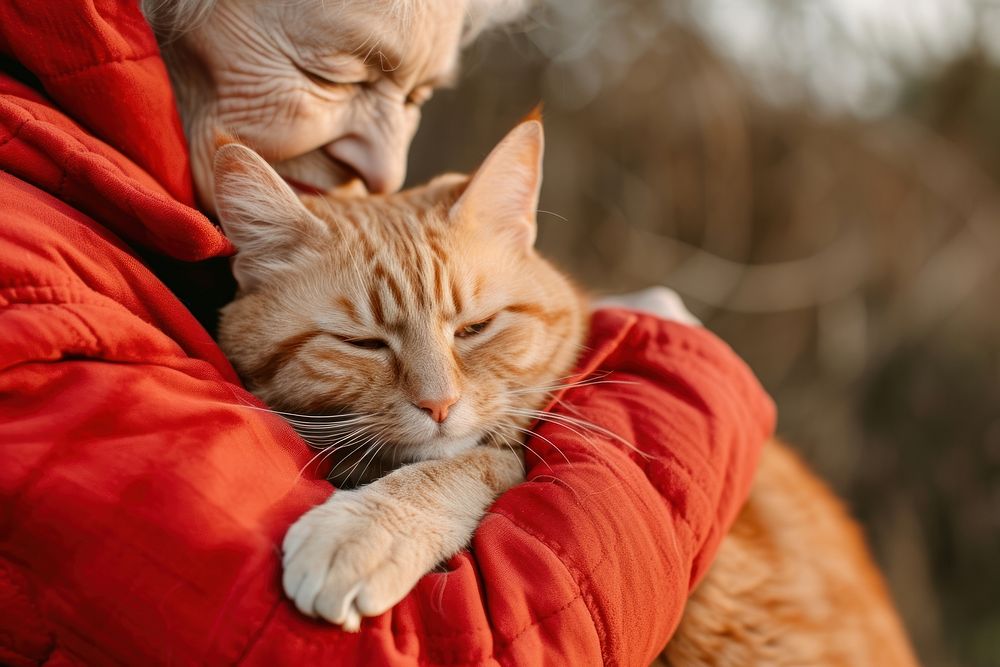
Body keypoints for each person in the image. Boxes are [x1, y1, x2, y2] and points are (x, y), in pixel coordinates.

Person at [0, 1, 774, 664]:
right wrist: (678, 381)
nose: (386, 164)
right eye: (335, 74)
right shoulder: (29, 283)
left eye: (416, 96)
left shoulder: (168, 239)